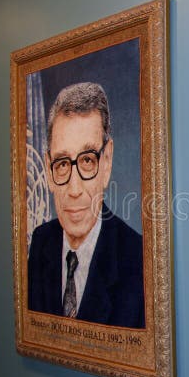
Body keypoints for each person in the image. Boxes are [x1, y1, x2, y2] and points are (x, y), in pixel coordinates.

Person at [27, 82, 144, 328]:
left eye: (88, 160)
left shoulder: (137, 259)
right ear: (48, 171)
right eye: (61, 164)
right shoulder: (40, 243)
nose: (75, 189)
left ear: (107, 161)